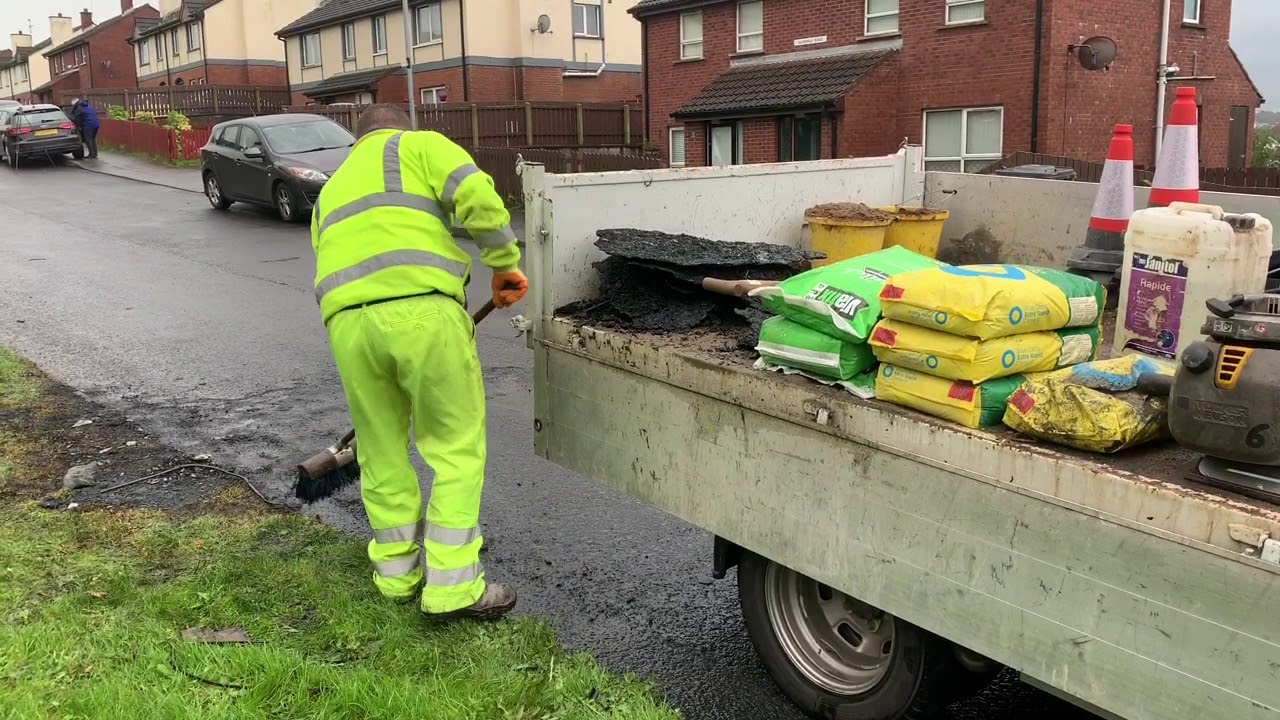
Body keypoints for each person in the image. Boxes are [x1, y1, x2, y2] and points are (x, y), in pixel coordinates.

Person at [310, 104, 528, 621]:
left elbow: (329, 253)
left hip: (347, 326)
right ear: (398, 128)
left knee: (382, 451)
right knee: (453, 448)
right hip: (424, 314)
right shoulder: (420, 146)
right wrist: (504, 267)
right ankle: (453, 586)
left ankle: (397, 575)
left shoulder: (333, 187)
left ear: (355, 141)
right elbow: (478, 198)